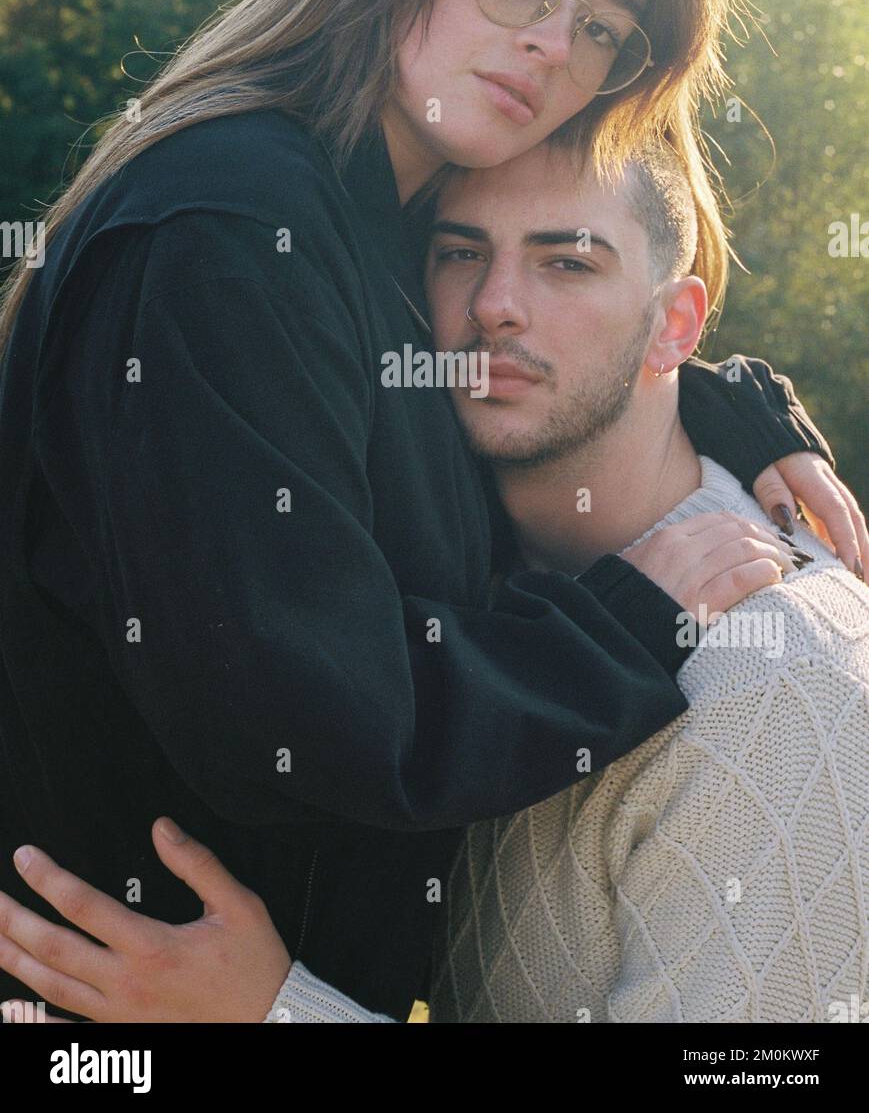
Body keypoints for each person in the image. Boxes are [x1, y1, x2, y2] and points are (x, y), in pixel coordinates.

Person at [0, 0, 864, 1025]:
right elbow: (311, 714)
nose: (550, 44)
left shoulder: (369, 214)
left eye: (602, 26)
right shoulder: (234, 226)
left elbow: (496, 368)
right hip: (103, 1003)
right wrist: (634, 616)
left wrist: (724, 412)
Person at [2, 140, 866, 1027]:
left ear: (675, 326)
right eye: (459, 254)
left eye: (566, 263)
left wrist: (270, 1017)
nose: (494, 307)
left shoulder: (782, 686)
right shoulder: (445, 576)